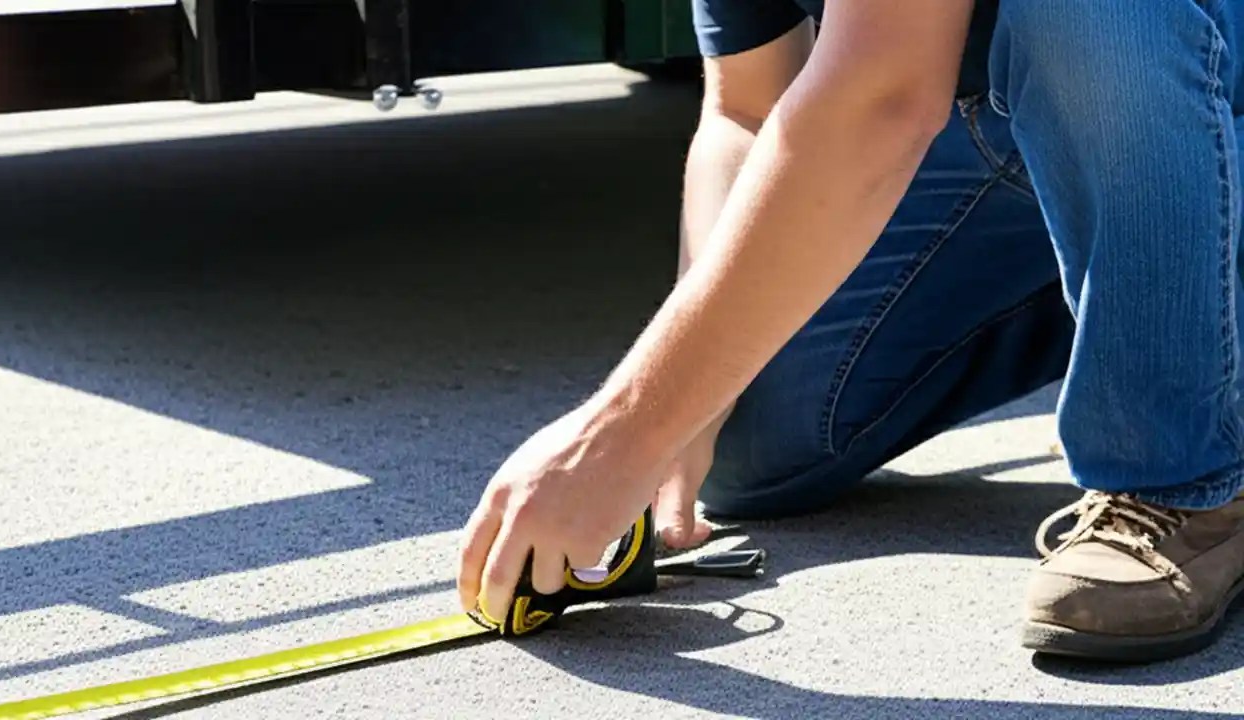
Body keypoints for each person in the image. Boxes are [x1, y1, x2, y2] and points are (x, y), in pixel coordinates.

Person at [457, 0, 1244, 663]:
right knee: (751, 436)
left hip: (1187, 77)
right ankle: (1162, 308)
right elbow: (746, 111)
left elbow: (886, 95)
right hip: (1027, 129)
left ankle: (1183, 481)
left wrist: (619, 433)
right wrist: (681, 403)